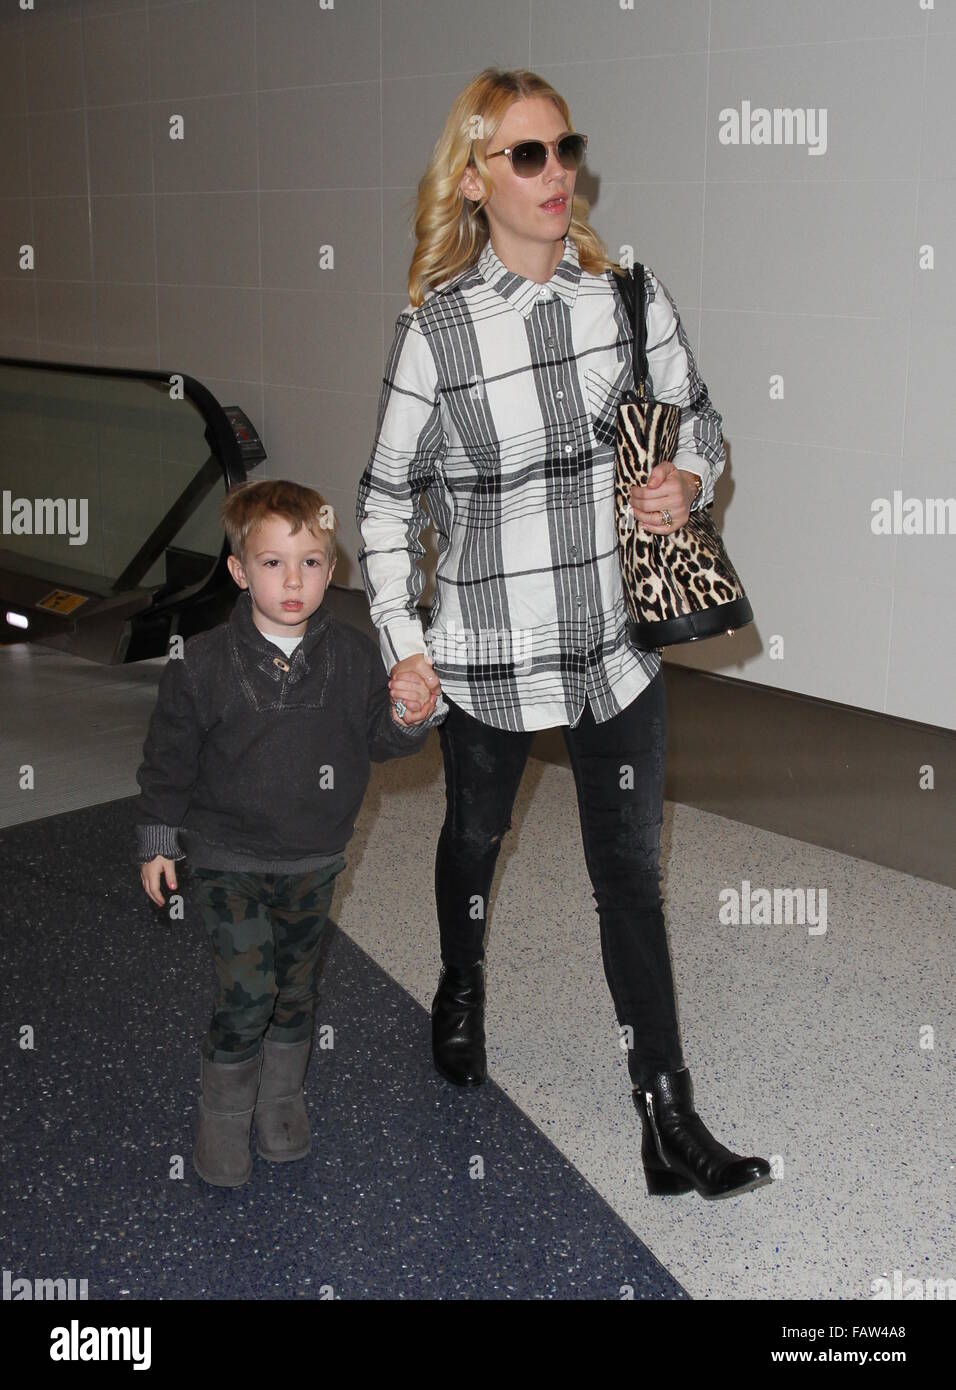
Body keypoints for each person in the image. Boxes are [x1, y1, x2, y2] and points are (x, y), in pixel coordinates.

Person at [356, 68, 771, 1200]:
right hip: (488, 649)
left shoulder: (623, 293)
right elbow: (386, 499)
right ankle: (461, 980)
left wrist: (686, 474)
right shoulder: (435, 333)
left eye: (565, 148)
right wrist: (403, 637)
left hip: (614, 643)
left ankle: (664, 1111)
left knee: (627, 875)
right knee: (473, 836)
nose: (557, 174)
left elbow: (700, 417)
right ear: (476, 176)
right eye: (526, 155)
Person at [132, 479, 445, 1187]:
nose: (293, 579)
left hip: (314, 858)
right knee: (249, 989)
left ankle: (279, 1099)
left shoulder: (357, 657)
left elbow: (382, 743)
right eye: (272, 563)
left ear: (330, 570)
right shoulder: (202, 663)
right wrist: (158, 835)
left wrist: (409, 717)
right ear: (240, 572)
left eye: (309, 561)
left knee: (296, 988)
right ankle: (221, 1115)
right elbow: (169, 756)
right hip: (224, 857)